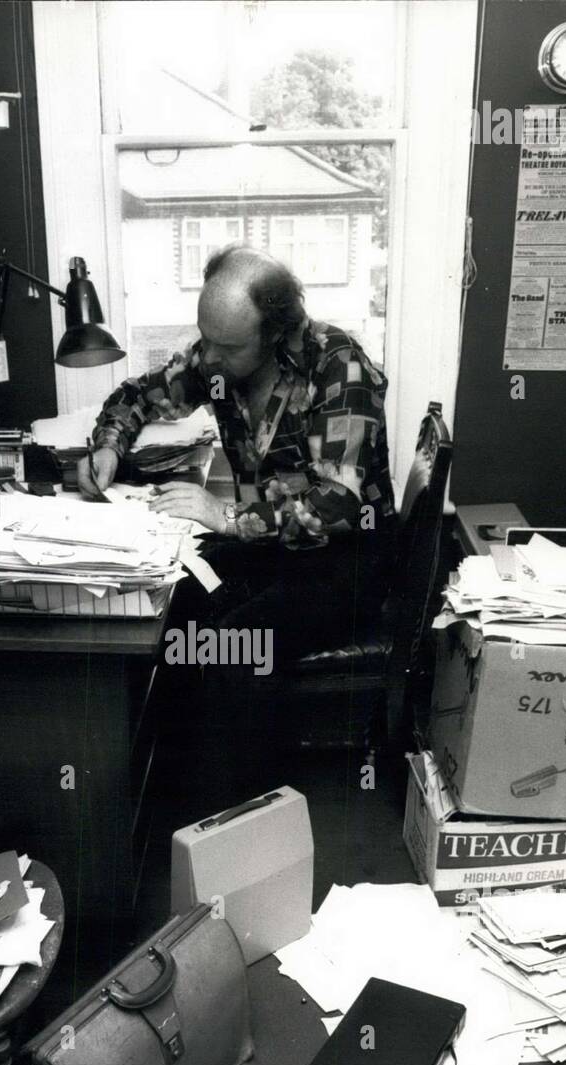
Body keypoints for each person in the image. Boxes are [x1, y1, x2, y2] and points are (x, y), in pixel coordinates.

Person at [86, 245, 398, 808]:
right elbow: (137, 396)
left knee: (237, 647)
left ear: (276, 334)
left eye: (226, 347)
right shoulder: (218, 361)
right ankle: (168, 791)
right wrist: (109, 447)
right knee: (179, 606)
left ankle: (246, 811)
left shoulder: (338, 365)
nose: (208, 356)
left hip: (349, 561)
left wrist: (226, 516)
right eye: (204, 339)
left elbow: (341, 505)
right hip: (273, 547)